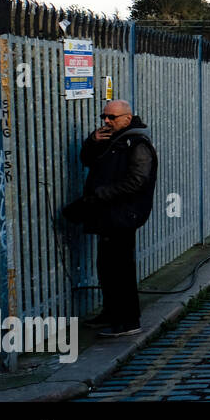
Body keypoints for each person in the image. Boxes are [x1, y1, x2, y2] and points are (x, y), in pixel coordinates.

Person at [63, 99, 158, 337]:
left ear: (127, 118)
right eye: (103, 117)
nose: (106, 121)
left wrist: (101, 193)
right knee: (106, 266)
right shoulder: (114, 140)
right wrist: (92, 142)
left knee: (120, 269)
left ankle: (127, 321)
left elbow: (137, 181)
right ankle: (111, 313)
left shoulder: (137, 144)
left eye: (111, 118)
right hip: (109, 213)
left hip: (123, 215)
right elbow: (88, 160)